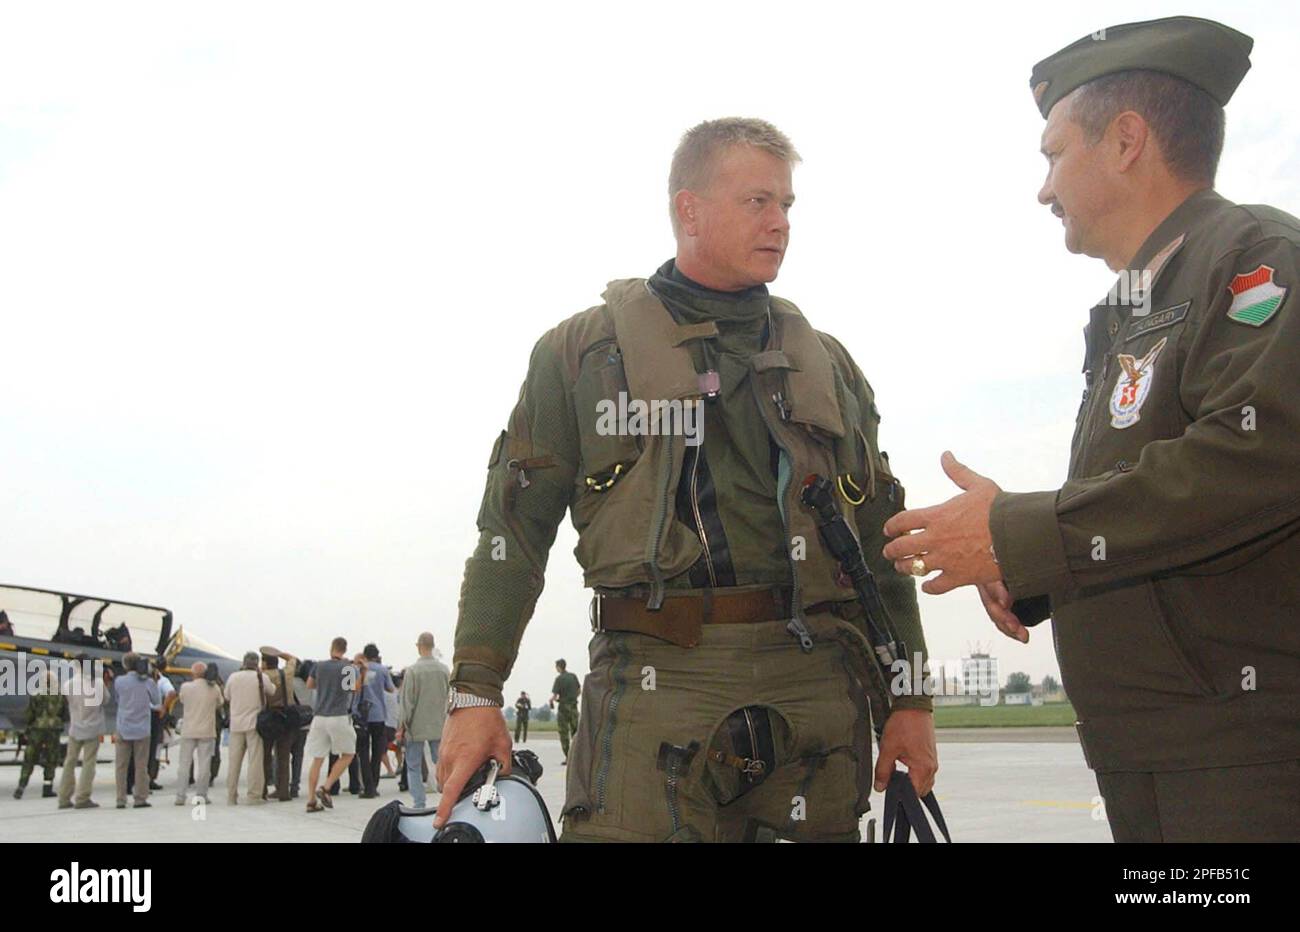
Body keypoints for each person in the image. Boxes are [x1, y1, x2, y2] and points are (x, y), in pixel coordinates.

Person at [437, 117, 936, 842]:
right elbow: (512, 531)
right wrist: (475, 691)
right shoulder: (581, 354)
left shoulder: (825, 362)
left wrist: (908, 700)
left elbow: (877, 541)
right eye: (758, 202)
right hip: (656, 685)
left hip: (814, 691)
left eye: (788, 205)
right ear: (689, 209)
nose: (780, 224)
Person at [881, 16, 1300, 843]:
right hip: (1154, 754)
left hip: (1244, 759)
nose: (1043, 187)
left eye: (1053, 152)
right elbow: (1154, 501)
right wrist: (1028, 567)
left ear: (1127, 141)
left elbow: (1260, 459)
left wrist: (1024, 531)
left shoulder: (1257, 259)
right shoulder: (1132, 308)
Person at [304, 637, 362, 812]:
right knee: (348, 753)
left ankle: (311, 799)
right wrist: (359, 671)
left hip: (319, 716)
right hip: (338, 716)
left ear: (331, 648)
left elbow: (310, 684)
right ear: (345, 650)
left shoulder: (319, 666)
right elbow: (352, 689)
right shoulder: (347, 667)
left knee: (317, 759)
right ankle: (326, 786)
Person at [396, 632, 449, 808]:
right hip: (439, 725)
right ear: (433, 646)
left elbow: (407, 702)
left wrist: (402, 725)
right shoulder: (444, 670)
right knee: (441, 762)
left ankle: (419, 803)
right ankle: (447, 798)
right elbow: (450, 698)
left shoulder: (413, 671)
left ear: (419, 646)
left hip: (416, 727)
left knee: (413, 766)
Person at [223, 651, 276, 805]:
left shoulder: (233, 677)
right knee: (255, 761)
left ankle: (231, 796)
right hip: (254, 724)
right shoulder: (261, 677)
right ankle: (254, 796)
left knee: (234, 762)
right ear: (257, 663)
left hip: (236, 724)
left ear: (244, 663)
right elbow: (272, 690)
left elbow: (227, 696)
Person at [113, 653, 160, 809]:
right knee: (141, 766)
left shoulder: (119, 681)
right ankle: (140, 798)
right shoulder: (148, 682)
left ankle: (120, 799)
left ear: (125, 665)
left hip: (123, 727)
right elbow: (156, 701)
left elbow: (118, 699)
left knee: (121, 766)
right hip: (142, 729)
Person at [58, 655, 105, 809]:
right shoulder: (97, 683)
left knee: (69, 762)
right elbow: (106, 700)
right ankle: (82, 797)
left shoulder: (69, 684)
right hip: (92, 727)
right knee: (89, 763)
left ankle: (64, 797)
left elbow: (67, 701)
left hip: (75, 726)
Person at [174, 661, 223, 805]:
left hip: (188, 730)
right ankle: (201, 795)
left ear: (193, 673)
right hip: (207, 731)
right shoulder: (214, 688)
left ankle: (180, 796)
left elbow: (182, 700)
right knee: (205, 765)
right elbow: (220, 703)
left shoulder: (186, 687)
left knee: (184, 764)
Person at [14, 670, 66, 800]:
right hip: (53, 729)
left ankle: (21, 786)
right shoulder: (59, 695)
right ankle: (47, 788)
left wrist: (28, 728)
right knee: (51, 758)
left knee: (30, 758)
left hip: (37, 729)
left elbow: (29, 714)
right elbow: (64, 713)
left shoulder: (36, 694)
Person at [352, 643, 394, 798]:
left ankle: (367, 786)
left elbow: (349, 689)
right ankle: (374, 784)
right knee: (377, 751)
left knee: (363, 752)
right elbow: (390, 688)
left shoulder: (356, 669)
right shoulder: (382, 670)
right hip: (378, 715)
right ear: (377, 655)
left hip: (361, 715)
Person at [259, 649, 299, 802]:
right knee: (283, 757)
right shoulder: (287, 673)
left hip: (269, 717)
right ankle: (283, 791)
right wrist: (279, 653)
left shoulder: (263, 676)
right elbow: (292, 659)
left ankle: (262, 789)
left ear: (264, 663)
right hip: (287, 717)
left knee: (265, 756)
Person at [549, 660, 580, 764]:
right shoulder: (573, 676)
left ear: (559, 667)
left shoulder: (559, 679)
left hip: (563, 708)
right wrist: (573, 698)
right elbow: (579, 690)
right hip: (573, 707)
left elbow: (555, 696)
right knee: (576, 732)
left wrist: (551, 701)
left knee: (564, 733)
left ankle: (568, 757)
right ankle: (578, 757)